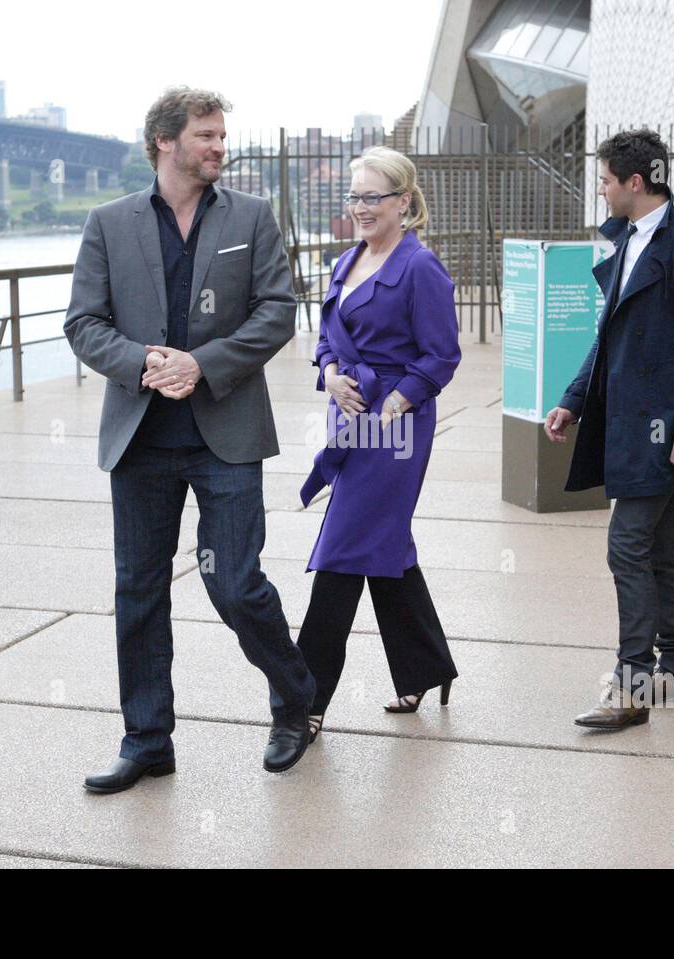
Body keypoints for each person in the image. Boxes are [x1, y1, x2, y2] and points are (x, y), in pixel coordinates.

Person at [64, 86, 316, 791]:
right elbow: (84, 322)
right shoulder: (108, 223)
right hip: (141, 436)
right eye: (206, 135)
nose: (219, 147)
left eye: (221, 135)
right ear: (165, 141)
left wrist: (201, 364)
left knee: (234, 583)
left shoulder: (252, 216)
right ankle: (146, 740)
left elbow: (276, 312)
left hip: (225, 430)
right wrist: (144, 363)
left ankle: (296, 699)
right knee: (138, 590)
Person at [544, 129, 674, 730]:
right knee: (658, 546)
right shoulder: (624, 240)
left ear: (635, 182)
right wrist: (573, 400)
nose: (599, 191)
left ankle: (631, 686)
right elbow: (607, 336)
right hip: (626, 419)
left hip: (664, 424)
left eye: (604, 180)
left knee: (626, 545)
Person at [297, 146, 461, 743]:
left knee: (342, 547)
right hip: (352, 416)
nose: (360, 208)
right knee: (381, 544)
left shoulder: (421, 268)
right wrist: (330, 373)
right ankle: (427, 668)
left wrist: (395, 404)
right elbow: (327, 333)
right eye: (354, 196)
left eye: (373, 197)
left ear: (403, 202)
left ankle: (304, 699)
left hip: (395, 427)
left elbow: (442, 355)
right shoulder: (348, 260)